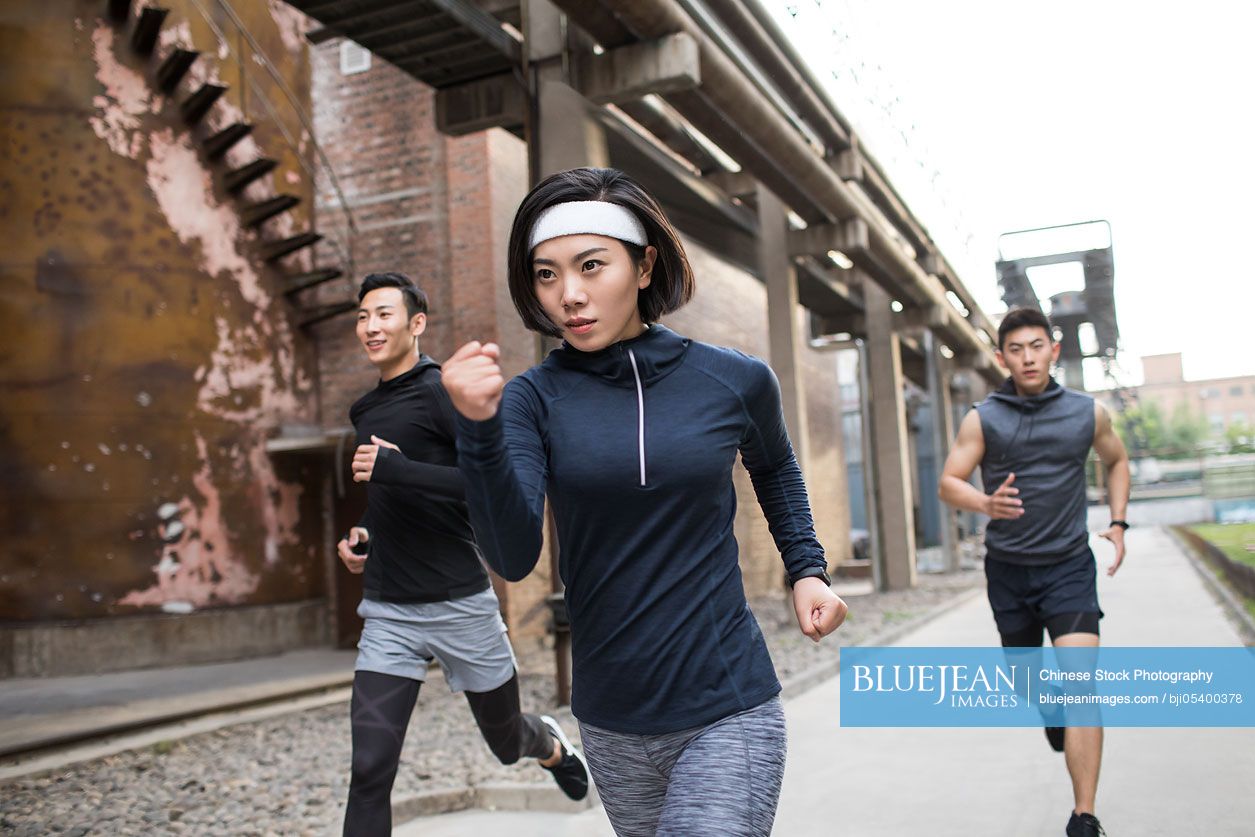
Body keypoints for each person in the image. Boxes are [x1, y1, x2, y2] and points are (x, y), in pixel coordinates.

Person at [440, 167, 848, 837]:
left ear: (644, 264)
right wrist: (477, 431)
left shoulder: (733, 380)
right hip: (610, 719)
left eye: (590, 265)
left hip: (728, 705)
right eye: (545, 274)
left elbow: (774, 467)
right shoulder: (531, 400)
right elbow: (511, 556)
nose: (569, 294)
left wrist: (806, 568)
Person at [337, 272, 587, 836]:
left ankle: (547, 743)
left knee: (505, 742)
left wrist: (399, 469)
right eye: (363, 316)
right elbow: (389, 496)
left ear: (416, 323)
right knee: (369, 770)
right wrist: (365, 533)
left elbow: (488, 488)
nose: (370, 326)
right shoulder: (364, 410)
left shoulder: (440, 393)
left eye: (383, 314)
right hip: (389, 610)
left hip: (461, 605)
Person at [938, 306, 1130, 837]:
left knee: (1081, 686)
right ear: (1002, 358)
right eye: (1016, 349)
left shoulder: (1087, 413)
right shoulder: (983, 418)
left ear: (1053, 351)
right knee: (1026, 680)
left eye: (1037, 346)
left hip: (1068, 567)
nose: (1028, 357)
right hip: (1009, 571)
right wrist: (984, 503)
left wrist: (1118, 522)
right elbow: (949, 481)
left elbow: (1117, 460)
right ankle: (1048, 706)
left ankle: (1084, 817)